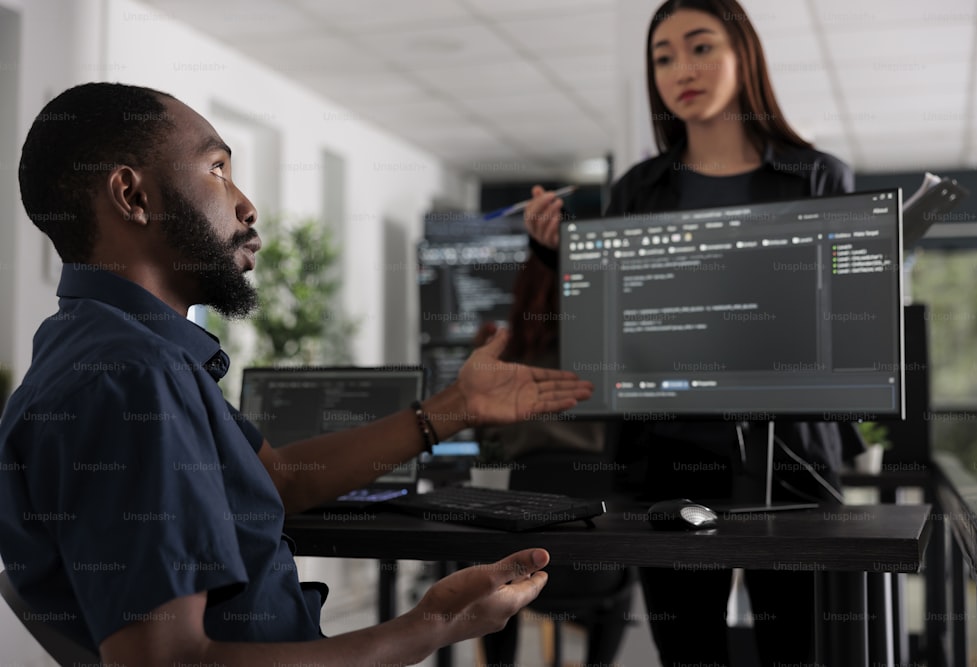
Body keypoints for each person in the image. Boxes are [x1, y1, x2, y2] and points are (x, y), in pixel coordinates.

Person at [0, 82, 594, 666]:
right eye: (216, 169)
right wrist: (429, 626)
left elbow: (279, 480)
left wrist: (456, 405)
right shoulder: (130, 377)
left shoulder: (113, 350)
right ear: (132, 195)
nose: (246, 204)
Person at [523, 0, 865, 664]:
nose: (682, 68)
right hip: (665, 465)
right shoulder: (637, 190)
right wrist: (558, 256)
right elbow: (615, 333)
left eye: (701, 46)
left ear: (745, 53)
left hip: (789, 467)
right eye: (663, 56)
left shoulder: (819, 178)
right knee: (689, 655)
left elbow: (844, 331)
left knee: (800, 650)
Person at [473, 253, 632, 667]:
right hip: (598, 568)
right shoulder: (612, 358)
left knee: (488, 558)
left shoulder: (505, 358)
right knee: (626, 571)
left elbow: (488, 454)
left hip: (521, 568)